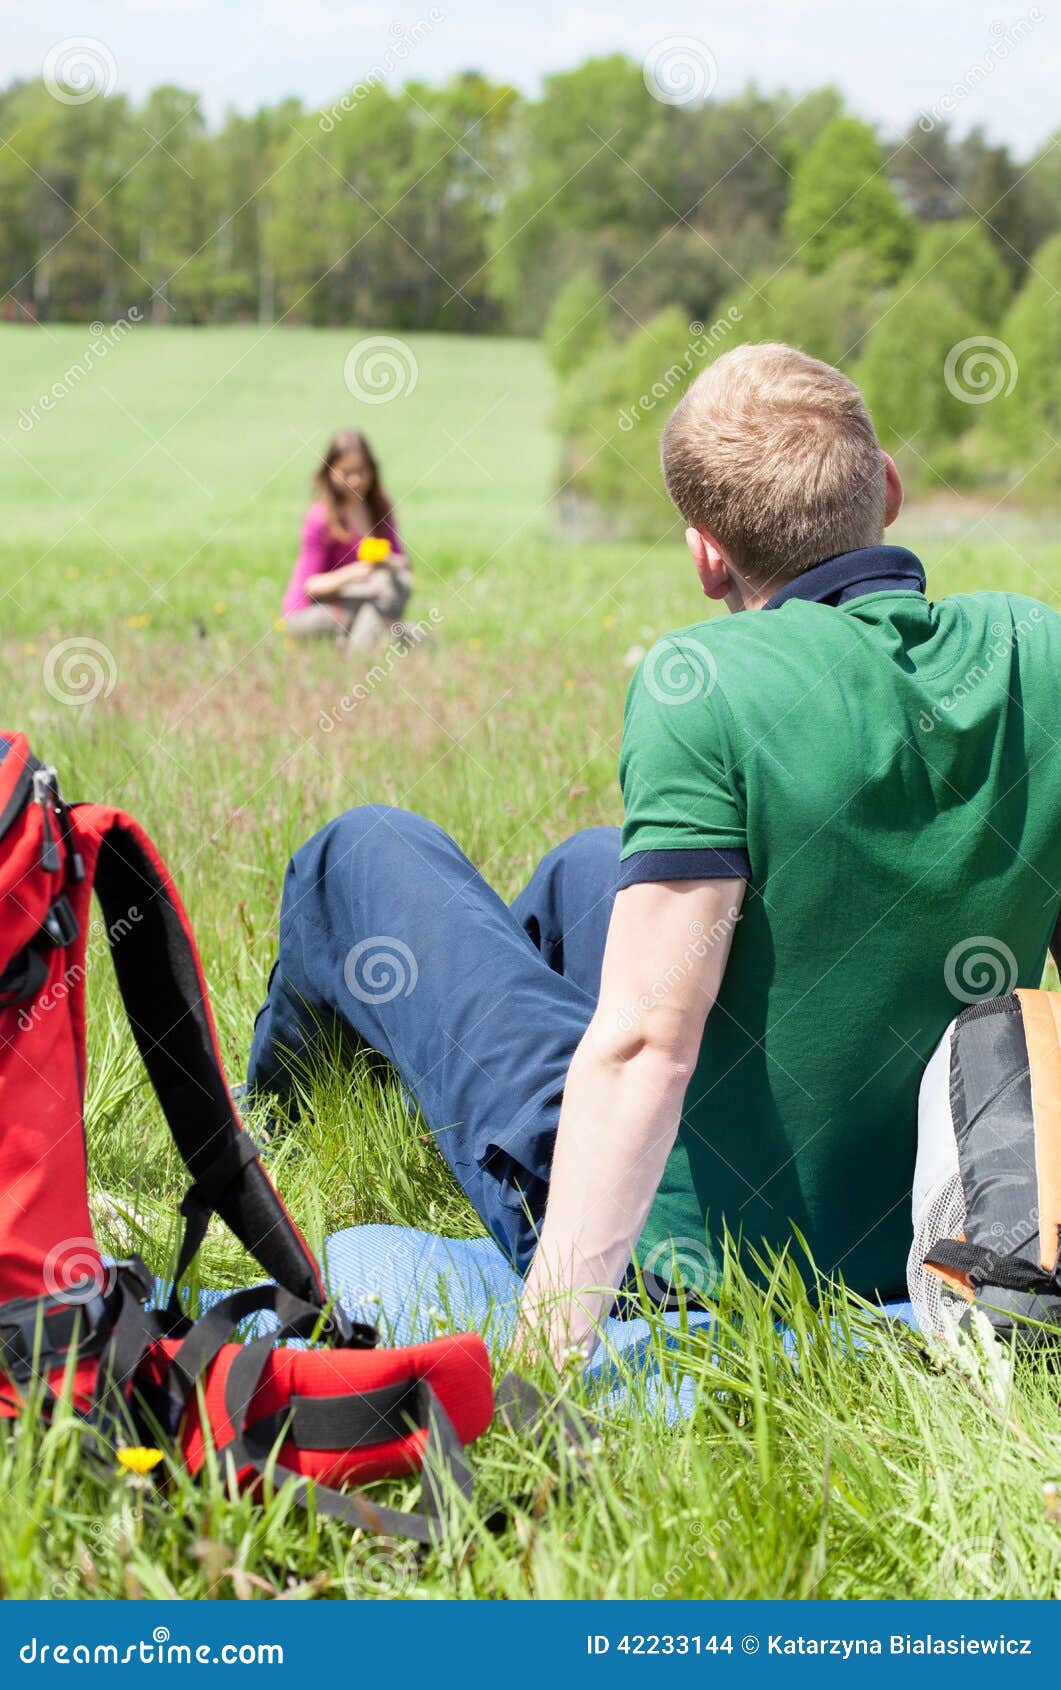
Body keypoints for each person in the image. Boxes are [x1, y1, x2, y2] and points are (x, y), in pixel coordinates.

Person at [249, 343, 1061, 1365]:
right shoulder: (1036, 650)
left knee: (361, 850)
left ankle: (263, 1130)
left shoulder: (701, 679)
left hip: (680, 1261)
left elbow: (643, 1049)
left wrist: (550, 1349)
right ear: (885, 491)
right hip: (943, 1218)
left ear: (704, 555)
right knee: (584, 869)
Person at [282, 430, 412, 653]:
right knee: (381, 597)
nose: (356, 480)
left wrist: (387, 562)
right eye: (346, 472)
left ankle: (357, 645)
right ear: (329, 472)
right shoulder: (320, 517)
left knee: (396, 583)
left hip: (361, 598)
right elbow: (311, 586)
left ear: (372, 470)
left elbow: (402, 562)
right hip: (311, 612)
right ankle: (361, 654)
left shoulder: (378, 506)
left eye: (362, 471)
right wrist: (358, 572)